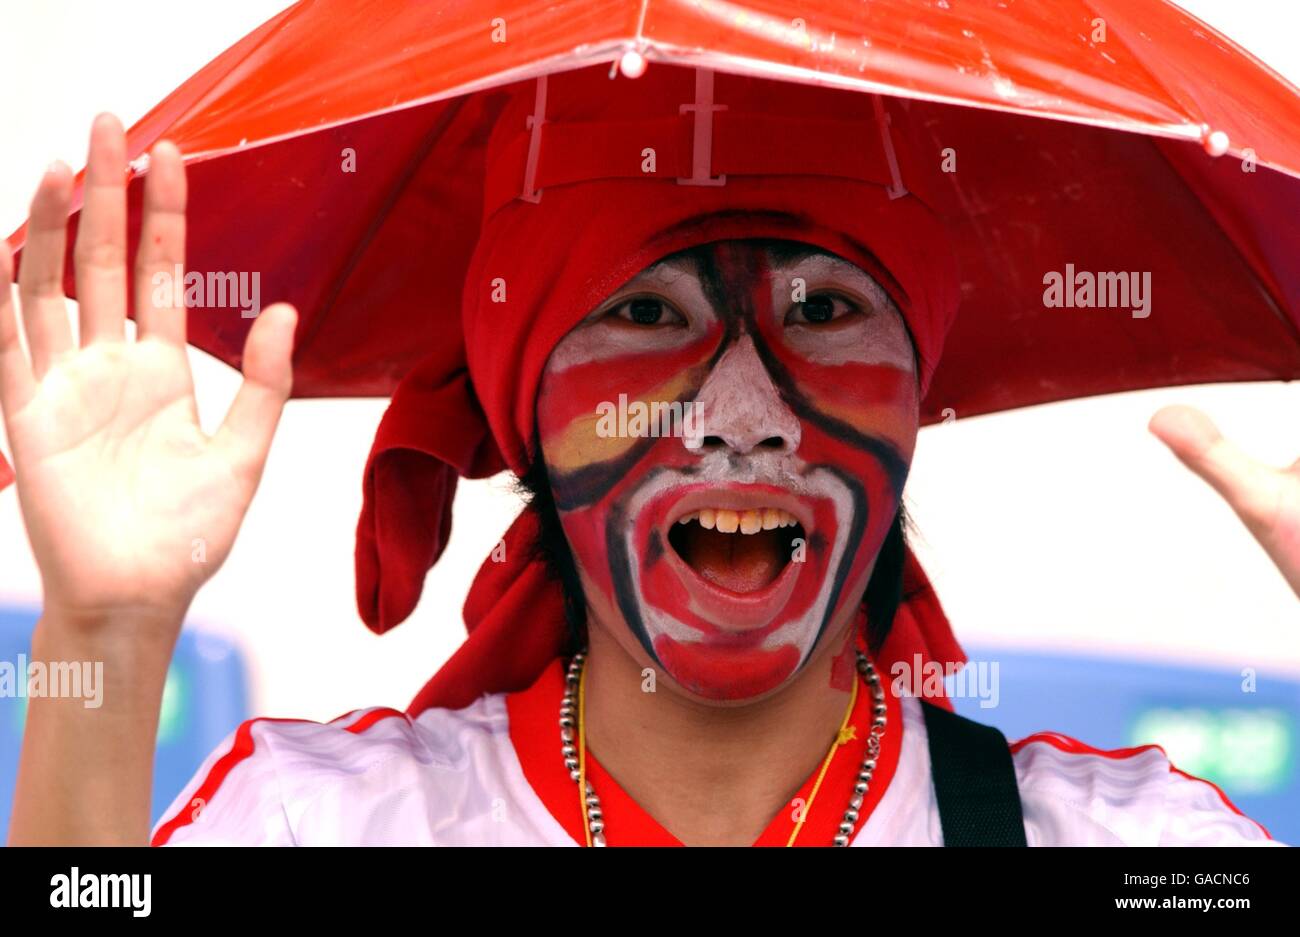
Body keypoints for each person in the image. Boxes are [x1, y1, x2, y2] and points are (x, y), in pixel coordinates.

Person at [3, 66, 1293, 847]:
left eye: (825, 308)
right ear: (527, 411)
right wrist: (104, 635)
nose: (744, 411)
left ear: (913, 400)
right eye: (644, 311)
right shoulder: (321, 824)